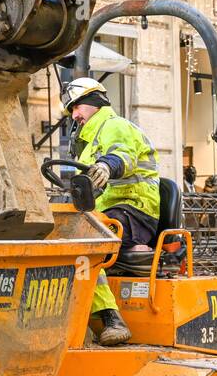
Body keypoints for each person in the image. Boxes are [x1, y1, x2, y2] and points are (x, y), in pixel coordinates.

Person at [60, 77, 161, 347]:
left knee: (88, 241)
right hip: (108, 214)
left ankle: (111, 318)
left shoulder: (114, 126)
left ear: (93, 103)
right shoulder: (87, 142)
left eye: (76, 107)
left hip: (134, 210)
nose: (75, 115)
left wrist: (107, 166)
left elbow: (122, 155)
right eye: (71, 110)